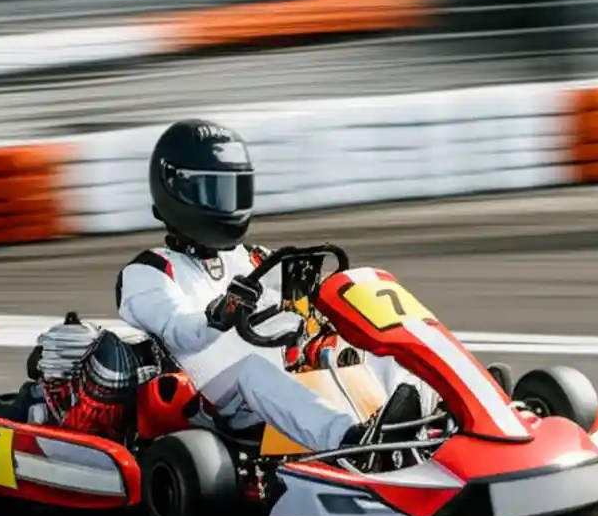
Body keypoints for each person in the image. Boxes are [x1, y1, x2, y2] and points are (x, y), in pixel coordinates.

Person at [113, 118, 436, 452]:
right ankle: (350, 441)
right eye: (216, 193)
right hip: (218, 401)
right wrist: (218, 314)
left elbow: (292, 311)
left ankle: (423, 413)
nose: (229, 205)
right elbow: (178, 329)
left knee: (364, 340)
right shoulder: (149, 271)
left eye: (235, 192)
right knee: (255, 372)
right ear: (177, 190)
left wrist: (321, 301)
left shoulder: (253, 258)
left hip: (285, 374)